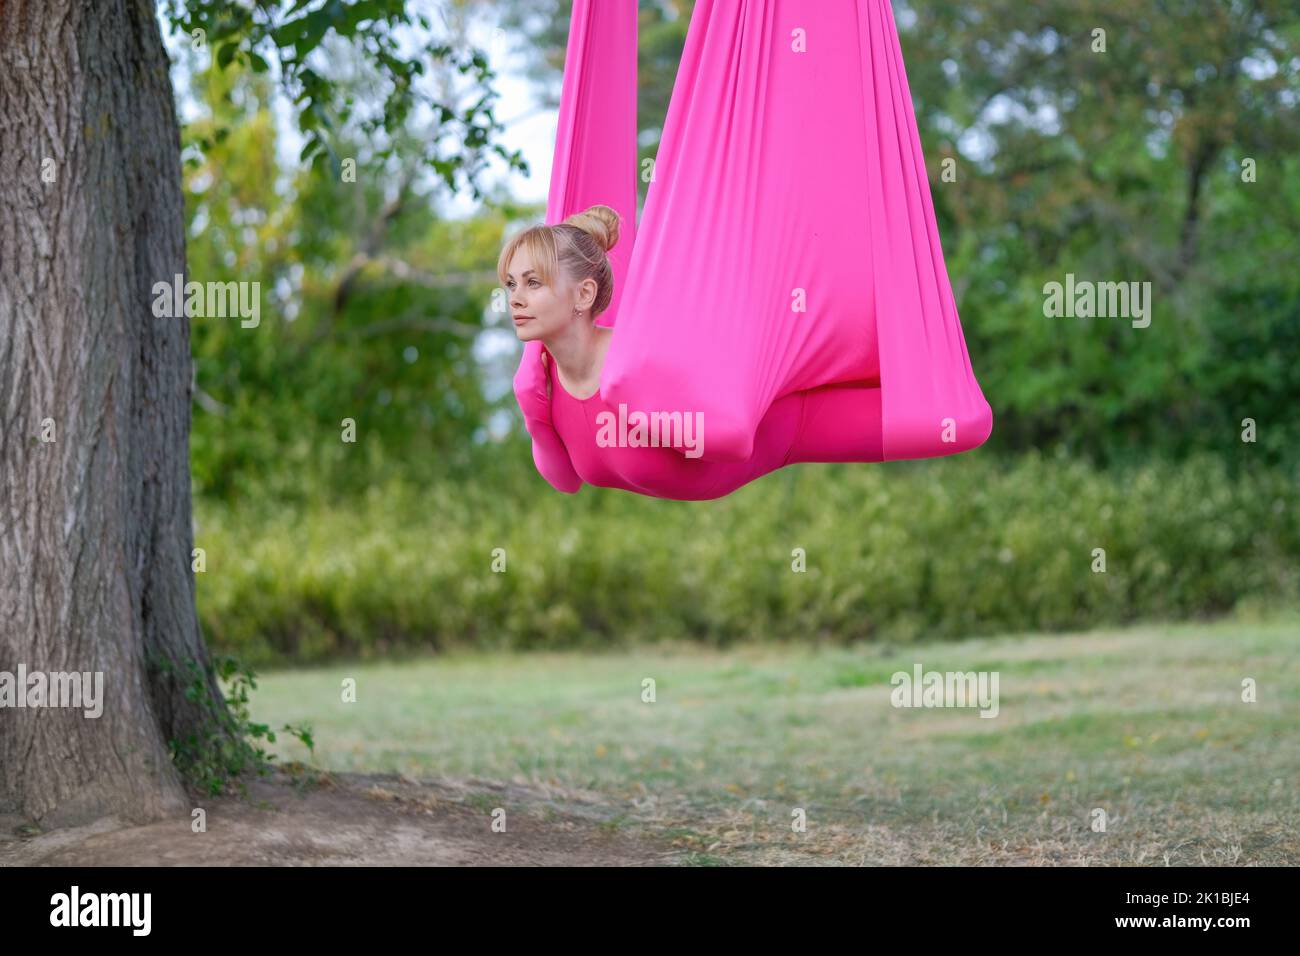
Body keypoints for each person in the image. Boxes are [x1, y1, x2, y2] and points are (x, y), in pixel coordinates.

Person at [499, 204, 884, 500]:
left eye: (533, 283)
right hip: (780, 442)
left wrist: (640, 410)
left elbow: (734, 437)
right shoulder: (545, 382)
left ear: (584, 294)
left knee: (940, 417)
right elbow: (567, 481)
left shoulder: (635, 358)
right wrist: (534, 412)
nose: (515, 299)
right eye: (511, 284)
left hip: (796, 421)